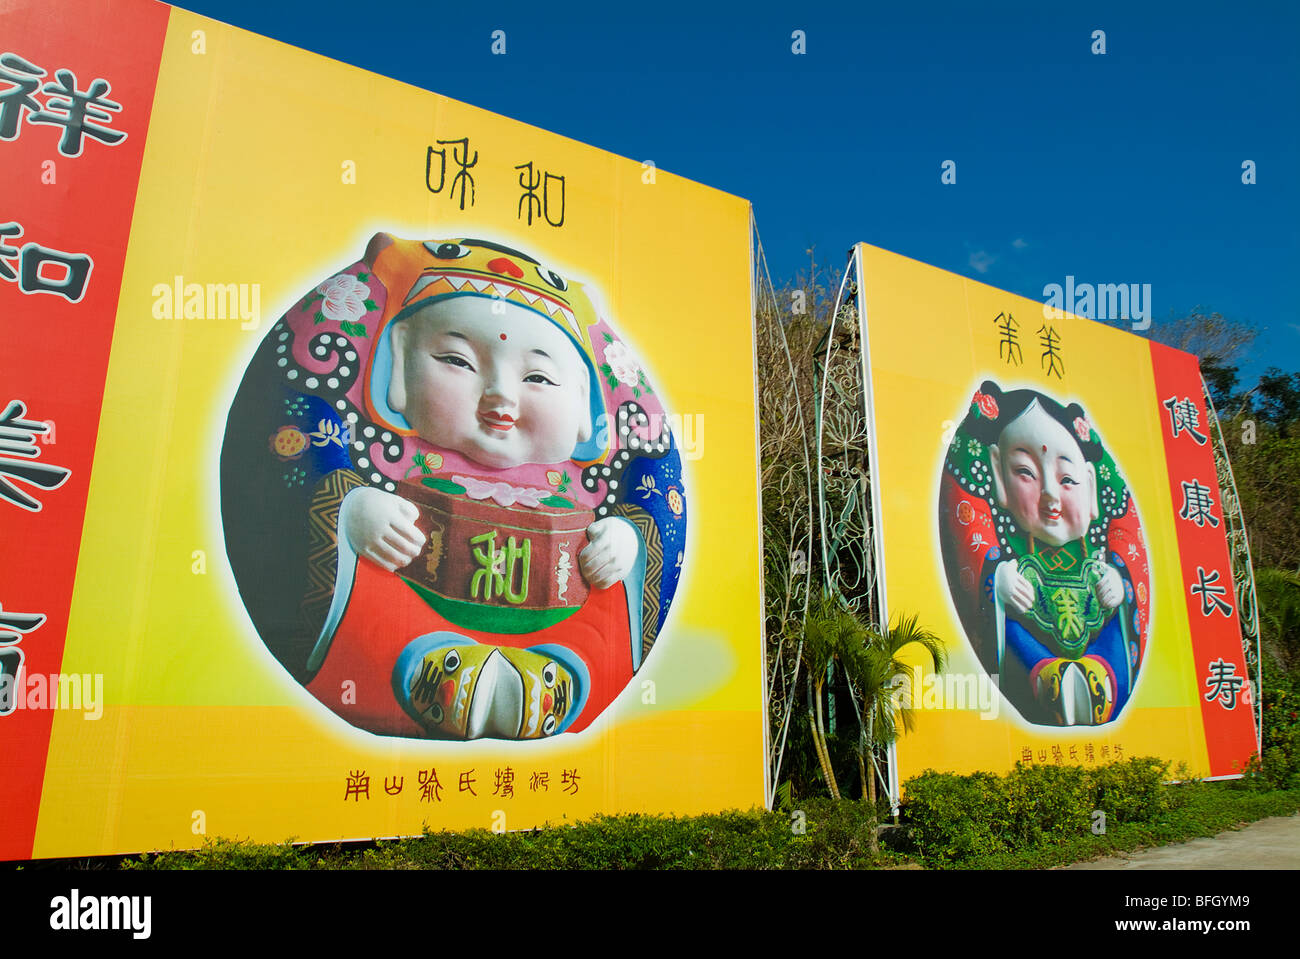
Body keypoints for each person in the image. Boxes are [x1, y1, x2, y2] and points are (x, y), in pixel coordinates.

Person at [221, 234, 686, 739]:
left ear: (583, 403)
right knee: (369, 609)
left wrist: (629, 541)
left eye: (538, 378)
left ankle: (558, 680)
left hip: (562, 618)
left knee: (607, 616)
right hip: (404, 612)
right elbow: (285, 439)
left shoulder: (594, 460)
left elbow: (655, 486)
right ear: (397, 362)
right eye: (457, 361)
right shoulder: (381, 445)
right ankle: (425, 674)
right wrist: (349, 510)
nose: (501, 398)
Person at [940, 381, 1149, 726]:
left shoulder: (1095, 550)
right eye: (1026, 473)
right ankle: (1044, 679)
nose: (1050, 494)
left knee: (1117, 619)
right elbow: (971, 541)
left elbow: (1131, 551)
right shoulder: (1009, 545)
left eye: (1067, 480)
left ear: (1092, 486)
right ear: (997, 474)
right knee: (1009, 620)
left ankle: (1104, 679)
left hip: (1095, 625)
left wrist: (1119, 577)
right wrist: (997, 578)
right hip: (1031, 635)